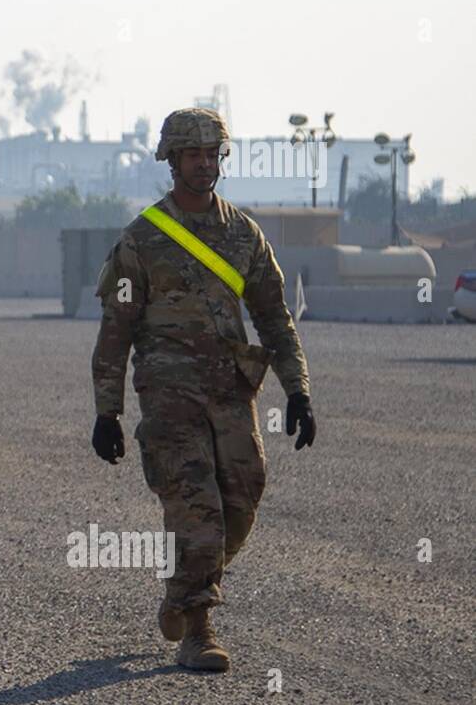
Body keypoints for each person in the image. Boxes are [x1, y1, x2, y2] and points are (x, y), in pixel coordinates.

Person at [90, 107, 316, 672]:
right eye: (193, 154)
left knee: (243, 497)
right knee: (198, 508)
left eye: (213, 154)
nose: (205, 164)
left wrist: (298, 391)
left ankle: (182, 589)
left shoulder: (243, 235)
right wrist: (107, 411)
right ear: (171, 160)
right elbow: (115, 330)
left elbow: (274, 318)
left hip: (230, 392)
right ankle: (199, 629)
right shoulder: (140, 240)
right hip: (168, 397)